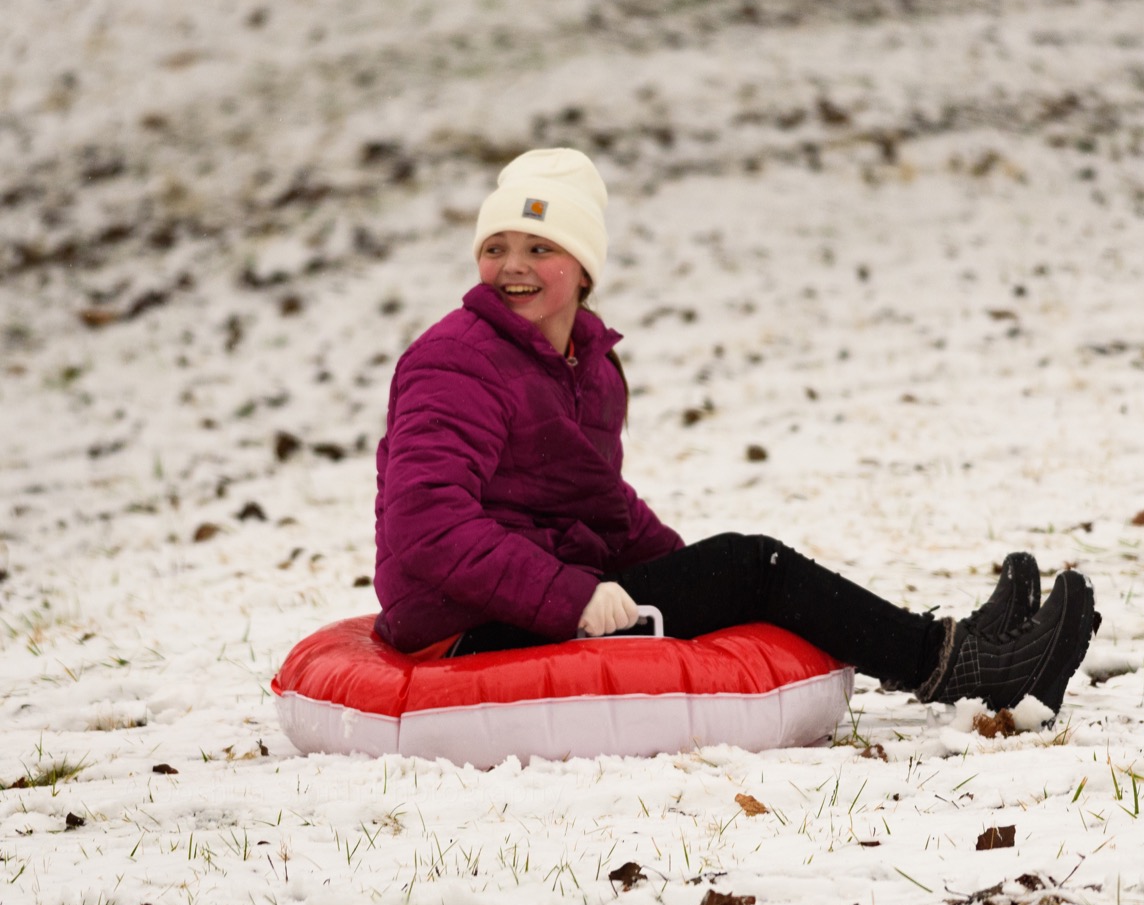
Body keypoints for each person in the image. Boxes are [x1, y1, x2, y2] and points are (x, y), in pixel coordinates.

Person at [373, 148, 1098, 716]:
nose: (512, 267)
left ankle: (970, 647)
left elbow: (596, 503)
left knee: (735, 572)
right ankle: (964, 669)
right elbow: (426, 523)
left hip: (529, 596)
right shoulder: (455, 361)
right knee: (755, 566)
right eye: (496, 247)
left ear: (584, 270)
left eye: (540, 248)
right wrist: (571, 596)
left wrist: (689, 576)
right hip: (464, 625)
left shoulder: (585, 365)